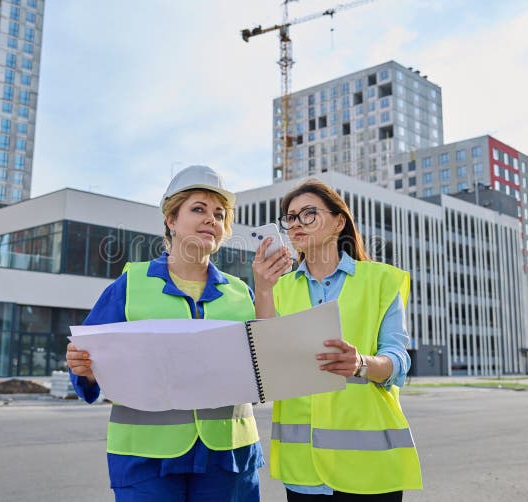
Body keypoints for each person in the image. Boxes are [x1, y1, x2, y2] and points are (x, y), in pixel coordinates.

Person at [67, 165, 264, 502]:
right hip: (147, 460)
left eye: (219, 214)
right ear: (171, 220)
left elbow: (263, 366)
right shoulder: (131, 285)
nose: (211, 220)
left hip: (228, 458)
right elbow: (87, 359)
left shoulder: (241, 292)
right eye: (198, 209)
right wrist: (82, 368)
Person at [253, 178, 422, 501]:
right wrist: (262, 289)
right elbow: (266, 363)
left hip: (370, 468)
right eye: (290, 217)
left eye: (309, 214)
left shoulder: (381, 280)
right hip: (303, 470)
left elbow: (397, 360)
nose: (296, 224)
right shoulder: (278, 288)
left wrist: (361, 364)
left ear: (339, 221)